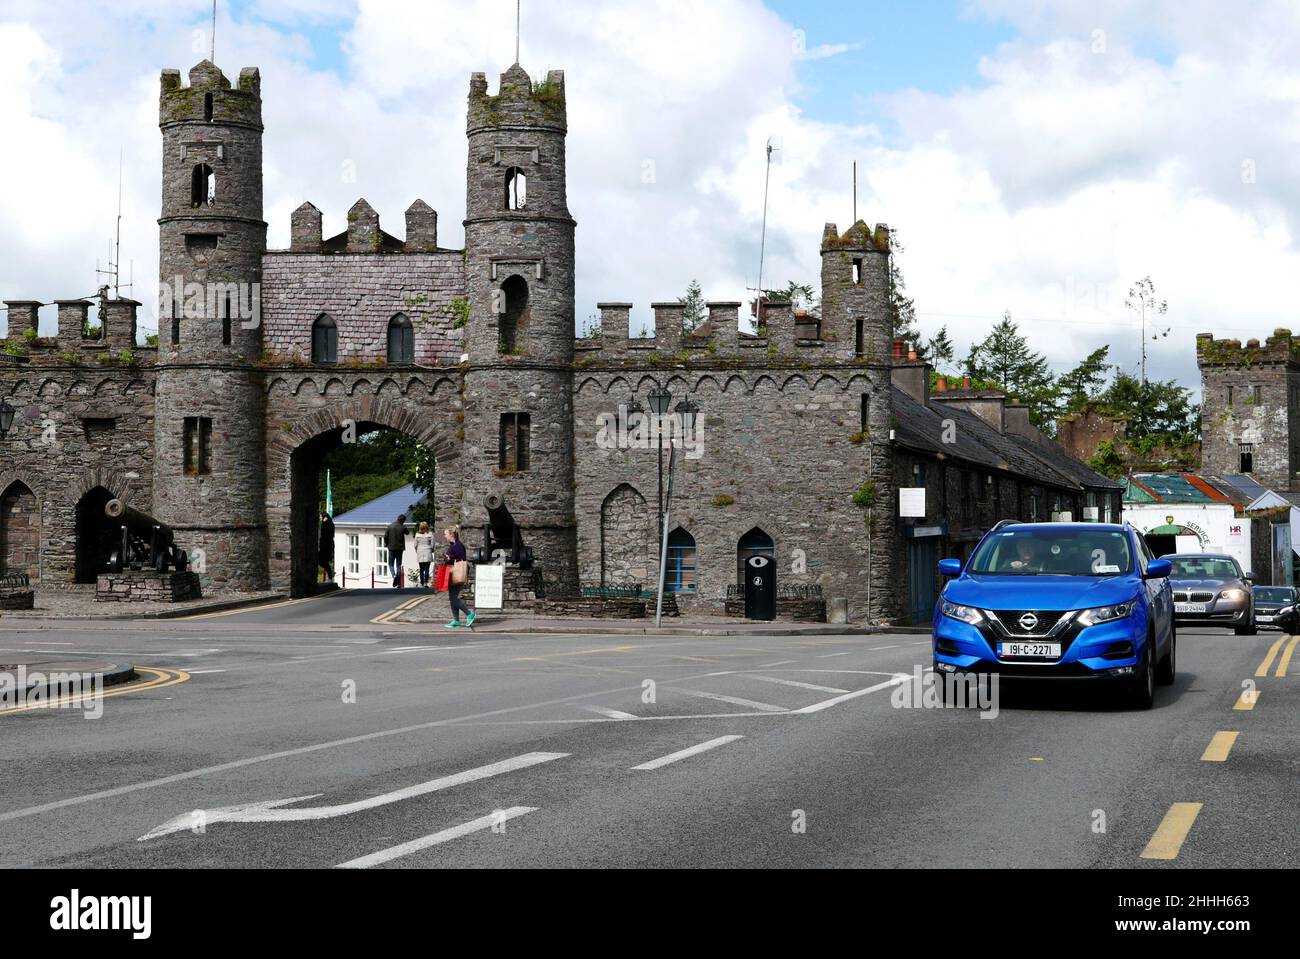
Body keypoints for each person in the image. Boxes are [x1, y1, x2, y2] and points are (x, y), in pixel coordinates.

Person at [442, 525, 476, 629]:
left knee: (453, 598)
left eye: (446, 534)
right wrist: (449, 558)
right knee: (451, 598)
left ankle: (469, 614)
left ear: (451, 534)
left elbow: (461, 560)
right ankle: (456, 620)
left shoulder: (458, 545)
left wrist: (449, 559)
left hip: (457, 574)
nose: (444, 536)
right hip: (452, 574)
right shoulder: (453, 545)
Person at [384, 514, 408, 588]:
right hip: (400, 548)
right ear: (403, 520)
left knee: (391, 564)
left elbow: (385, 536)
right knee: (398, 565)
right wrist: (403, 527)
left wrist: (386, 543)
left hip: (391, 548)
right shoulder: (402, 526)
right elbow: (407, 533)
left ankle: (394, 575)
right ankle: (398, 583)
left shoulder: (390, 526)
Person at [414, 521, 435, 588]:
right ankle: (426, 583)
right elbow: (432, 544)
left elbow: (415, 545)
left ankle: (422, 583)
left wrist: (417, 550)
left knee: (421, 569)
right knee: (427, 569)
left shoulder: (417, 534)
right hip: (427, 551)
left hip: (420, 551)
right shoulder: (430, 534)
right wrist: (431, 550)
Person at [318, 512, 336, 583]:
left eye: (320, 516)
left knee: (322, 561)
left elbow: (325, 535)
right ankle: (330, 574)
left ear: (323, 516)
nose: (320, 518)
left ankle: (330, 575)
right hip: (327, 545)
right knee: (322, 561)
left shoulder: (326, 524)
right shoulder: (329, 523)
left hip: (326, 545)